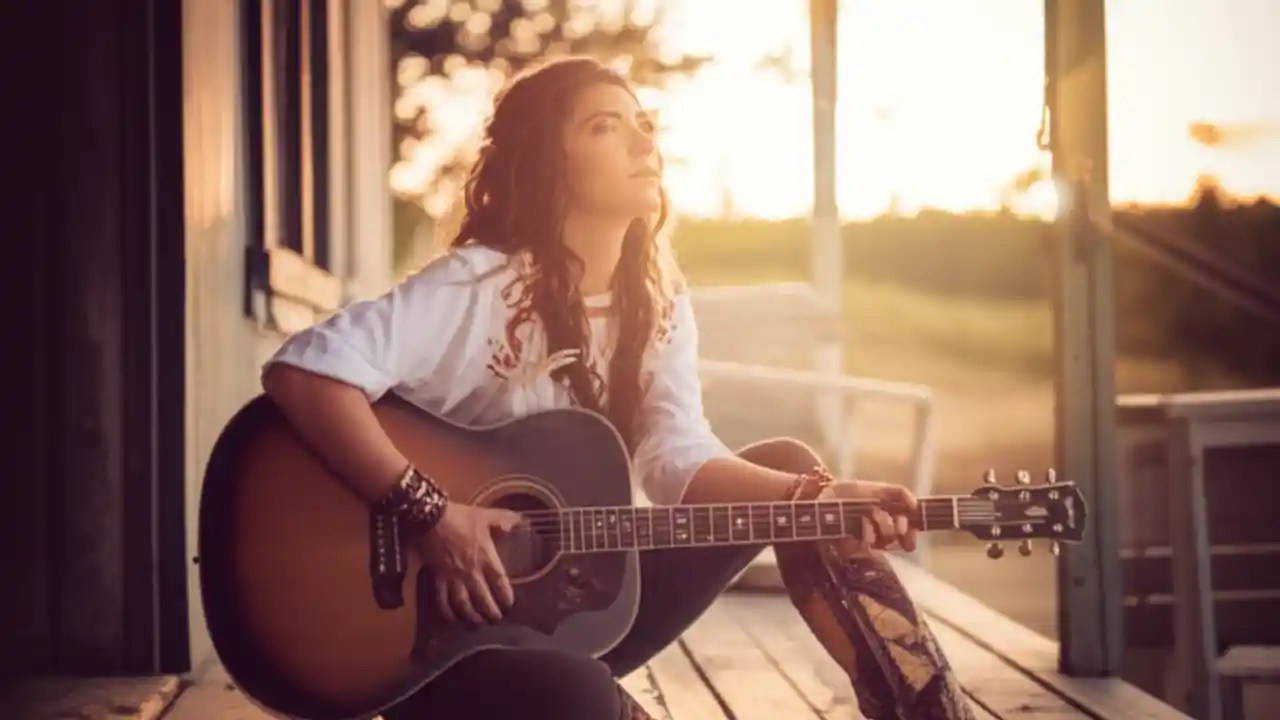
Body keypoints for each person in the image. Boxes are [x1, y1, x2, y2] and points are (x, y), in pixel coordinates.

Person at [262, 56, 971, 720]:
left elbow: (677, 460)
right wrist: (432, 515)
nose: (641, 143)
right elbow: (304, 372)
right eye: (606, 126)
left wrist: (822, 497)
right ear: (549, 162)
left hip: (573, 604)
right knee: (578, 695)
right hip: (435, 643)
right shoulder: (477, 284)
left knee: (796, 475)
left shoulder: (656, 298)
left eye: (643, 125)